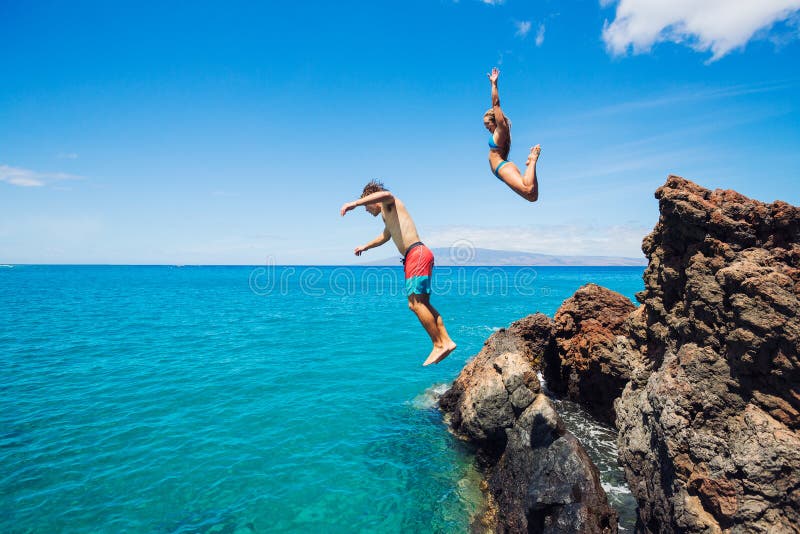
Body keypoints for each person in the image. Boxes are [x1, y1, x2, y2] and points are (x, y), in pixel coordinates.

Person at [340, 180, 457, 366]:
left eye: (366, 205)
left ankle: (438, 344)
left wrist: (354, 203)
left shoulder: (389, 203)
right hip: (417, 255)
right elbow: (385, 236)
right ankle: (446, 341)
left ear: (371, 199)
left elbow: (386, 195)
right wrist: (365, 246)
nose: (366, 210)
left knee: (415, 304)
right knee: (422, 303)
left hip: (416, 254)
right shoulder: (387, 216)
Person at [484, 67, 541, 202]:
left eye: (487, 125)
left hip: (502, 167)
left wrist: (494, 84)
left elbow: (496, 104)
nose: (486, 128)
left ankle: (532, 159)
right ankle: (531, 163)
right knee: (532, 197)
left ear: (495, 121)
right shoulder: (499, 132)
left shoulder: (501, 129)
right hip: (502, 168)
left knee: (528, 191)